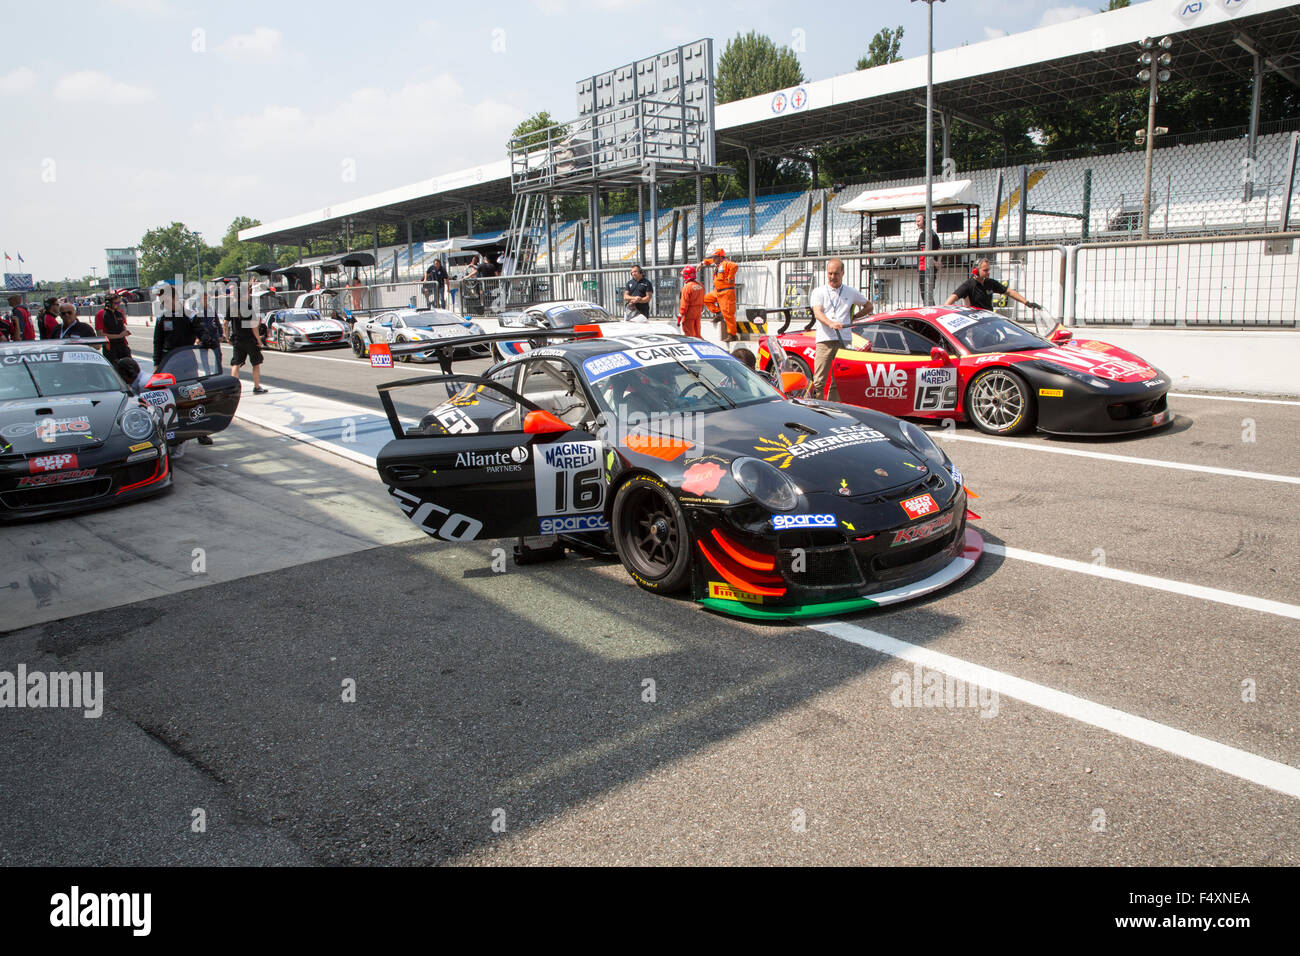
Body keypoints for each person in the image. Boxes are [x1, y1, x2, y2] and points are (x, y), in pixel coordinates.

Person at [810, 258, 871, 401]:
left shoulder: (851, 291)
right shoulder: (819, 291)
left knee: (839, 380)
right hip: (825, 340)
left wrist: (853, 317)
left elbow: (869, 306)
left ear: (842, 273)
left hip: (845, 340)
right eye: (830, 273)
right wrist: (830, 323)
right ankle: (816, 409)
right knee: (819, 380)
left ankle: (833, 409)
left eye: (836, 274)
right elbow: (817, 312)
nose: (832, 277)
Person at [945, 258, 1041, 312]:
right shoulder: (968, 285)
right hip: (976, 321)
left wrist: (1027, 303)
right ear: (975, 271)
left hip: (988, 316)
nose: (988, 272)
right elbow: (952, 297)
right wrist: (944, 312)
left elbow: (1010, 292)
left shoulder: (990, 283)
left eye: (988, 270)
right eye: (985, 270)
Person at [226, 298, 268, 395]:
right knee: (256, 363)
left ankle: (234, 389)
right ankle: (257, 387)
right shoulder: (248, 307)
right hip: (250, 340)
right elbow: (254, 326)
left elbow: (225, 324)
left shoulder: (231, 307)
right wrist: (258, 340)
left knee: (236, 364)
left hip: (237, 340)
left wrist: (227, 338)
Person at [698, 248, 739, 342]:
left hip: (726, 292)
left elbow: (735, 266)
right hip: (718, 291)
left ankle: (732, 335)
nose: (714, 259)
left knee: (728, 314)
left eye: (715, 257)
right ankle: (719, 313)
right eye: (713, 257)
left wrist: (730, 277)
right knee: (706, 299)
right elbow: (709, 261)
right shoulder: (718, 263)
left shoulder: (726, 263)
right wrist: (701, 263)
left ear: (721, 257)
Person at [915, 212, 942, 306]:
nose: (917, 223)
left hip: (925, 267)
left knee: (925, 294)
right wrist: (938, 262)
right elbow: (939, 249)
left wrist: (935, 262)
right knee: (928, 293)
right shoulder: (933, 233)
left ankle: (930, 312)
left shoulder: (924, 234)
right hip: (929, 267)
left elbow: (925, 251)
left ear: (925, 221)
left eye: (919, 221)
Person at [98, 293, 131, 362]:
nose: (118, 304)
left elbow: (123, 326)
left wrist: (125, 332)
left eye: (119, 302)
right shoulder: (100, 314)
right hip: (110, 347)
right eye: (116, 303)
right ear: (108, 303)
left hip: (122, 346)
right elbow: (100, 334)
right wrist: (119, 336)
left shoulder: (120, 313)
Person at [676, 265, 704, 338]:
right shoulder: (700, 285)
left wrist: (680, 316)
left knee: (689, 334)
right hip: (698, 312)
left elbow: (684, 303)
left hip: (689, 313)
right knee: (697, 333)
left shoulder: (687, 287)